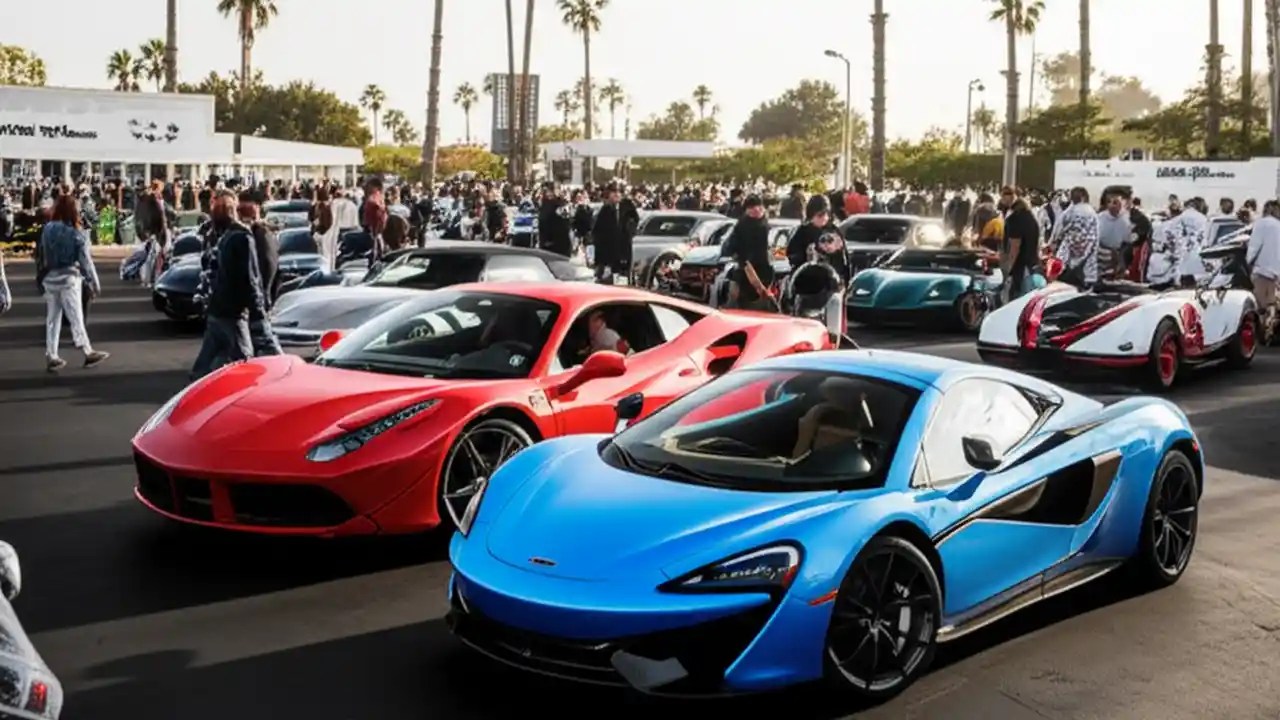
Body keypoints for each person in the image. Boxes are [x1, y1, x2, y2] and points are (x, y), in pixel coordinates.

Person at [190, 190, 261, 380]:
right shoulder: (240, 236)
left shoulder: (218, 235)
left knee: (208, 361)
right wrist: (258, 311)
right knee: (244, 359)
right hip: (232, 310)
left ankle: (199, 385)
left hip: (218, 307)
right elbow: (250, 278)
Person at [37, 194, 109, 371]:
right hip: (69, 278)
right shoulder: (76, 232)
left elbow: (41, 254)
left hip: (50, 278)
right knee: (76, 316)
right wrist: (93, 282)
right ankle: (87, 351)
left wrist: (40, 278)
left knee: (53, 318)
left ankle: (51, 354)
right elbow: (85, 261)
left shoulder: (47, 229)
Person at [238, 194, 283, 357]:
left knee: (263, 339)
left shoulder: (260, 235)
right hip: (256, 298)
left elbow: (268, 265)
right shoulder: (257, 234)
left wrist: (262, 293)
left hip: (257, 298)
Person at [730, 195, 776, 310]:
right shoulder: (741, 226)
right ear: (747, 210)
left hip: (767, 271)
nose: (756, 210)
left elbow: (776, 249)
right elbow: (734, 248)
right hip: (748, 272)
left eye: (759, 207)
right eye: (752, 207)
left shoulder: (767, 226)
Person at [1054, 187, 1100, 288]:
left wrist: (1052, 242)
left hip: (1068, 260)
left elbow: (1058, 230)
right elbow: (1097, 236)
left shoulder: (1070, 211)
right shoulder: (1093, 214)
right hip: (1088, 267)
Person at [1247, 200, 1280, 334]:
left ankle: (1263, 330)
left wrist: (1248, 260)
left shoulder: (1261, 224)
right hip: (1276, 271)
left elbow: (1254, 246)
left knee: (1260, 304)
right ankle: (1272, 325)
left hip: (1262, 269)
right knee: (1272, 301)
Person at [1002, 197, 1041, 300]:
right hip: (1032, 264)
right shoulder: (1033, 220)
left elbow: (1015, 246)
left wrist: (1009, 267)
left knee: (1015, 297)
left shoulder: (1014, 220)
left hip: (1020, 267)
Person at [591, 184, 628, 284]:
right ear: (609, 194)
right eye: (614, 192)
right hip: (607, 258)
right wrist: (600, 261)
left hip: (621, 256)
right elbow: (598, 235)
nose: (617, 194)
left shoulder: (624, 210)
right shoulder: (605, 210)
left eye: (619, 192)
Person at [537, 182, 573, 257]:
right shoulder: (545, 205)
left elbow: (566, 223)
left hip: (558, 244)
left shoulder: (560, 205)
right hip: (550, 244)